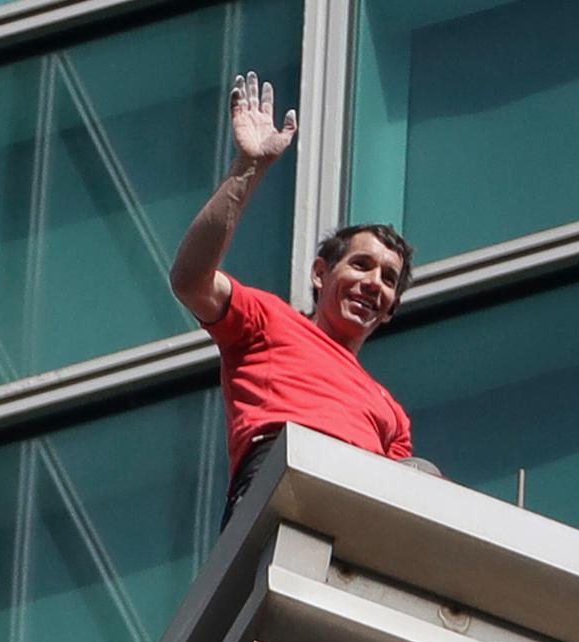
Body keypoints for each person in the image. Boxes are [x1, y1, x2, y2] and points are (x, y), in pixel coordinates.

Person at [169, 71, 419, 527]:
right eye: (360, 265)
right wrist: (249, 167)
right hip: (283, 473)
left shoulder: (390, 413)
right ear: (320, 274)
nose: (373, 283)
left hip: (359, 501)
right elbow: (191, 280)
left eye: (387, 279)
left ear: (389, 311)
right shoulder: (269, 320)